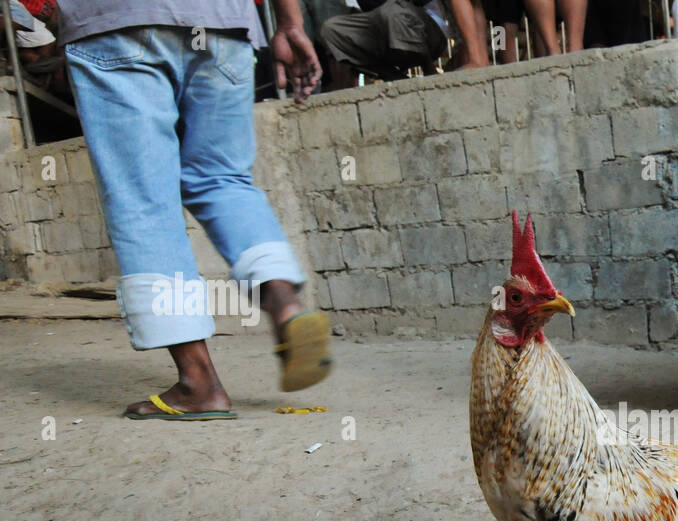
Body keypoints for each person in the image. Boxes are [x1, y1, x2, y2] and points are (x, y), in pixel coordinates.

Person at [60, 0, 332, 420]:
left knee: (143, 198)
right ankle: (284, 303)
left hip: (116, 21)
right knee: (222, 179)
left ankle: (198, 383)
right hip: (221, 21)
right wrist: (290, 23)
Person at [318, 0, 450, 84]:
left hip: (429, 30)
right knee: (331, 29)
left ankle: (427, 67)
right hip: (384, 27)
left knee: (390, 9)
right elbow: (369, 8)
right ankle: (392, 75)